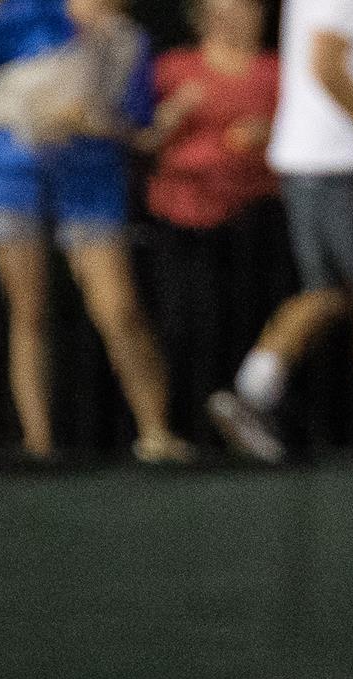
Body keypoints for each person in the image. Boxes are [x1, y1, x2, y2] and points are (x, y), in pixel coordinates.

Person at [0, 0, 189, 462]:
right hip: (15, 176)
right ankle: (38, 444)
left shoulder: (126, 41)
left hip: (91, 180)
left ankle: (156, 433)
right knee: (28, 313)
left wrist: (92, 123)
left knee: (118, 309)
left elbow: (135, 125)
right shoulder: (29, 15)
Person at [206, 0, 353, 462]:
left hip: (317, 162)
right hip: (345, 164)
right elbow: (326, 61)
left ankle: (253, 392)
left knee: (328, 292)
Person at [139, 0, 283, 449]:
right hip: (181, 215)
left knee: (244, 320)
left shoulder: (274, 70)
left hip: (253, 215)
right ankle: (183, 428)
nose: (240, 18)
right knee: (185, 322)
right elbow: (144, 137)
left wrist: (266, 132)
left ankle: (242, 423)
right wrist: (174, 112)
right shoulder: (174, 68)